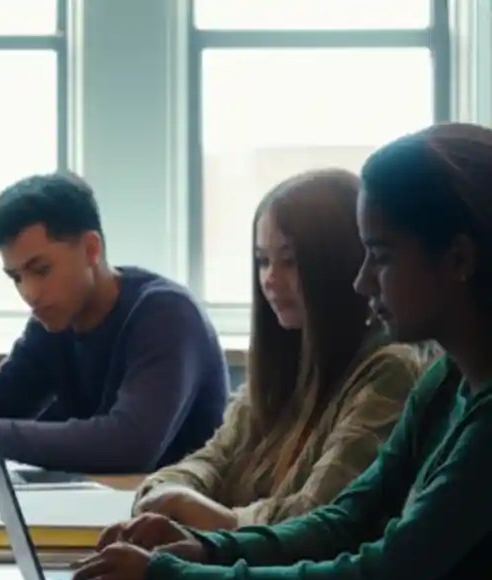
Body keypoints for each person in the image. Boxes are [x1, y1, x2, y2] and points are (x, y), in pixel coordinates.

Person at [73, 123, 492, 580]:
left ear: (460, 258)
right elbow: (346, 522)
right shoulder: (444, 379)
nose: (364, 283)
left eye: (381, 257)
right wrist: (204, 551)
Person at [0, 172, 230, 472]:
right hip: (106, 513)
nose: (29, 293)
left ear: (91, 249)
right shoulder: (53, 321)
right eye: (16, 277)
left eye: (41, 270)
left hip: (177, 528)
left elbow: (130, 443)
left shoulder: (166, 315)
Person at [132, 169, 421, 530]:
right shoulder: (284, 362)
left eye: (290, 261)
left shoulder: (389, 370)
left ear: (340, 262)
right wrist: (166, 490)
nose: (269, 278)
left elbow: (319, 517)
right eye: (263, 260)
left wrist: (217, 520)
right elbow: (215, 459)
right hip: (237, 569)